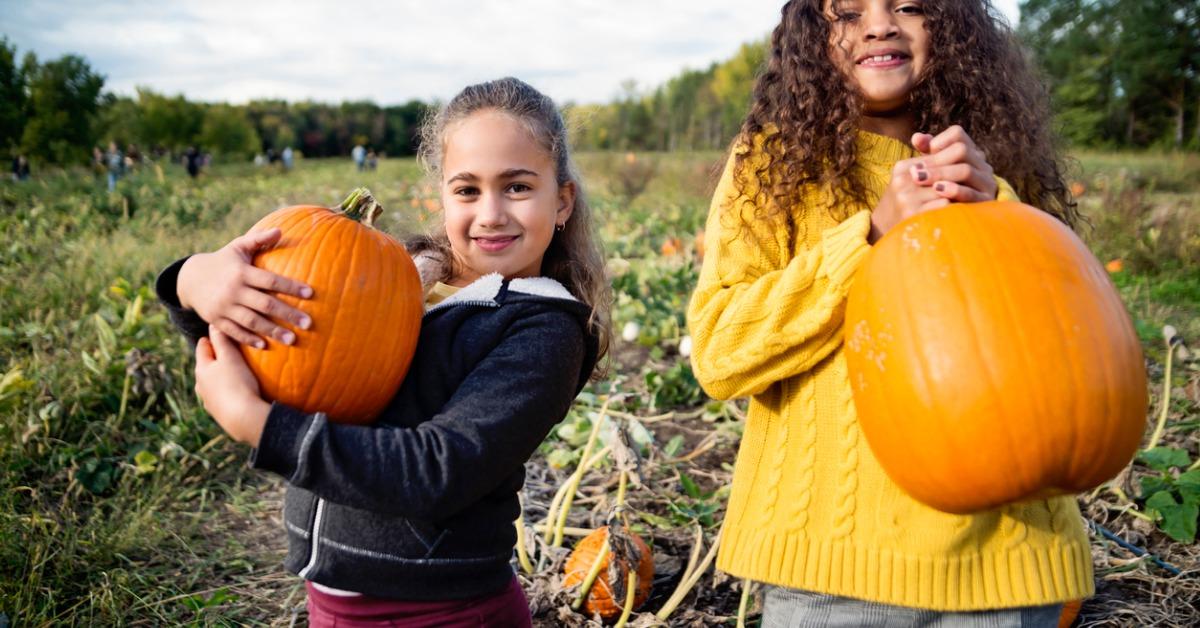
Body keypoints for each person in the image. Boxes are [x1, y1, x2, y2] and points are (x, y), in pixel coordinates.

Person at [155, 77, 610, 626]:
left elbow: (441, 468)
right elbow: (272, 343)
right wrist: (191, 282)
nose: (490, 213)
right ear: (441, 195)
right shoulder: (396, 279)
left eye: (516, 187)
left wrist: (259, 424)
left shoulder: (543, 331)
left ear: (561, 201)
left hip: (447, 612)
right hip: (330, 600)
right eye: (467, 190)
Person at [687, 1, 1084, 626]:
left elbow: (1079, 337)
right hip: (832, 571)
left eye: (910, 6)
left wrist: (999, 207)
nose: (880, 25)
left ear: (950, 27)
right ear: (812, 37)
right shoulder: (769, 162)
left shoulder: (997, 161)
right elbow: (719, 353)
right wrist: (870, 236)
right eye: (847, 12)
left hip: (1011, 558)